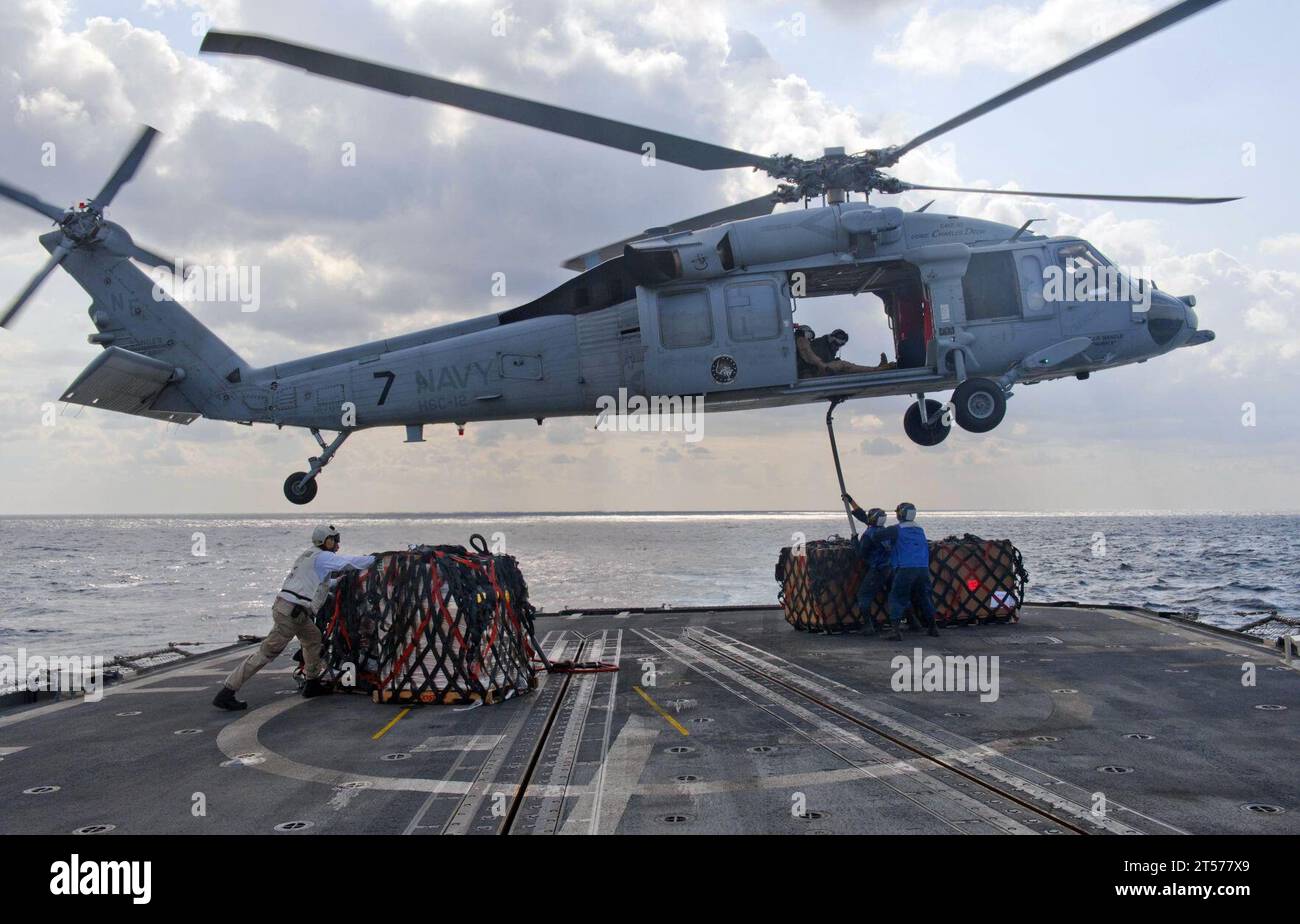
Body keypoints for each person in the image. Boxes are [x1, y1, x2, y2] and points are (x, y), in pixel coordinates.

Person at [213, 524, 375, 710]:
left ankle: (312, 683)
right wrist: (374, 560)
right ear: (326, 541)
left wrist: (336, 582)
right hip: (291, 613)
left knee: (313, 639)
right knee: (266, 653)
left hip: (294, 611)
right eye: (334, 540)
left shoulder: (309, 555)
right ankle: (227, 691)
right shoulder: (323, 557)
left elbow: (316, 582)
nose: (337, 543)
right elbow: (347, 562)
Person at [861, 502, 940, 641]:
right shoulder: (920, 529)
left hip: (905, 568)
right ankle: (933, 628)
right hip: (922, 568)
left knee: (897, 597)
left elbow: (876, 536)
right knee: (925, 597)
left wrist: (869, 523)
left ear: (900, 514)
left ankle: (896, 631)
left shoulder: (896, 529)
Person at [844, 495, 890, 635]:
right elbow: (863, 516)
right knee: (894, 594)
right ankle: (912, 621)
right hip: (891, 567)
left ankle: (868, 625)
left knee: (863, 595)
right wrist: (851, 501)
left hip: (878, 569)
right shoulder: (884, 531)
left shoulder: (870, 534)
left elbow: (861, 554)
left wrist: (854, 541)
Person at [794, 325, 879, 377]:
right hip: (809, 372)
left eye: (840, 345)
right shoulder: (802, 340)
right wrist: (823, 365)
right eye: (837, 344)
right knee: (843, 365)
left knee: (846, 367)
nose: (838, 347)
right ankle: (876, 370)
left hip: (813, 370)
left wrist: (832, 362)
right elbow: (809, 355)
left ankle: (875, 369)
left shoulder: (826, 346)